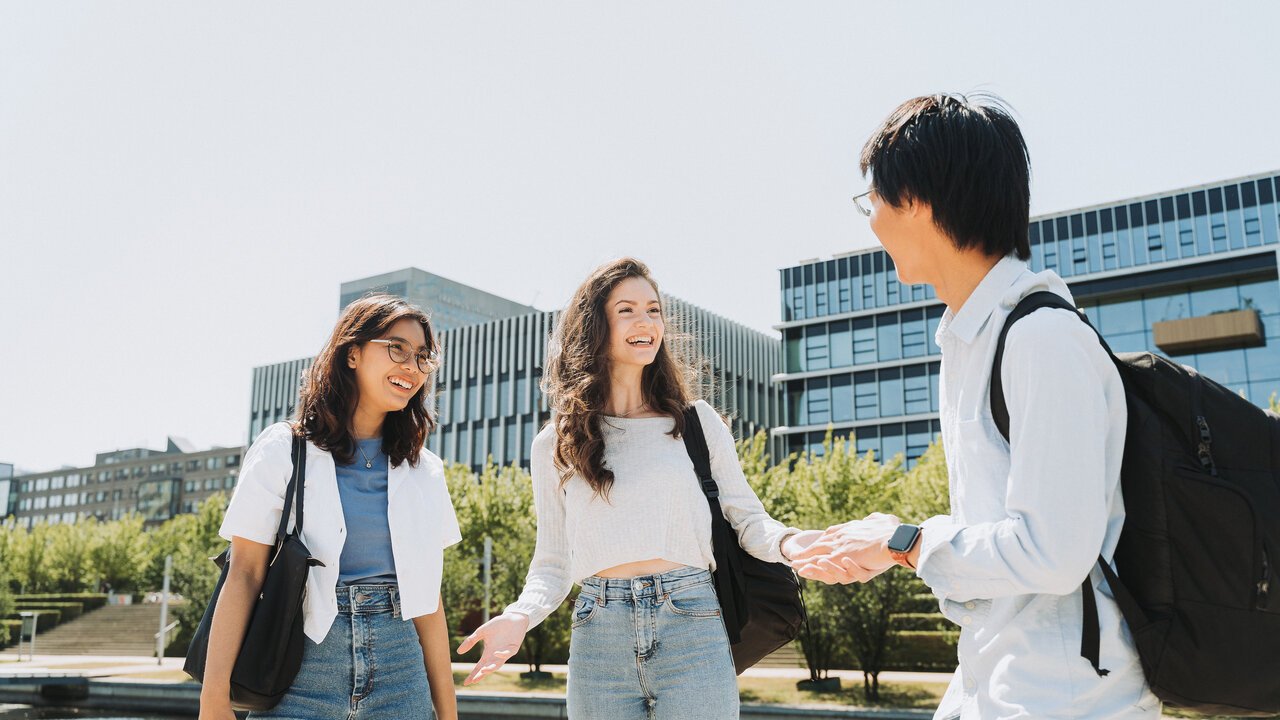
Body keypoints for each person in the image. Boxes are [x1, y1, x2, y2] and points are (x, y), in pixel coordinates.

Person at [790, 94, 1161, 719]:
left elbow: (1055, 552)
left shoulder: (1041, 338)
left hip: (1066, 700)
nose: (872, 220)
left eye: (873, 199)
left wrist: (904, 541)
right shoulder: (970, 341)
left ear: (917, 199)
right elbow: (1003, 562)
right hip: (996, 684)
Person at [457, 257, 820, 719]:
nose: (646, 320)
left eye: (653, 309)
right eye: (626, 309)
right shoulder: (556, 442)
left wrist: (794, 543)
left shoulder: (696, 423)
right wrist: (519, 615)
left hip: (692, 620)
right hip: (598, 632)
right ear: (595, 326)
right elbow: (553, 563)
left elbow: (748, 520)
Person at [199, 294, 460, 720]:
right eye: (397, 348)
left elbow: (429, 601)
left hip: (401, 676)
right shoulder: (285, 448)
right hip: (299, 674)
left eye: (422, 357)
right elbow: (244, 573)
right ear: (353, 353)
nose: (412, 367)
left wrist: (447, 714)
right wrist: (212, 701)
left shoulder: (424, 470)